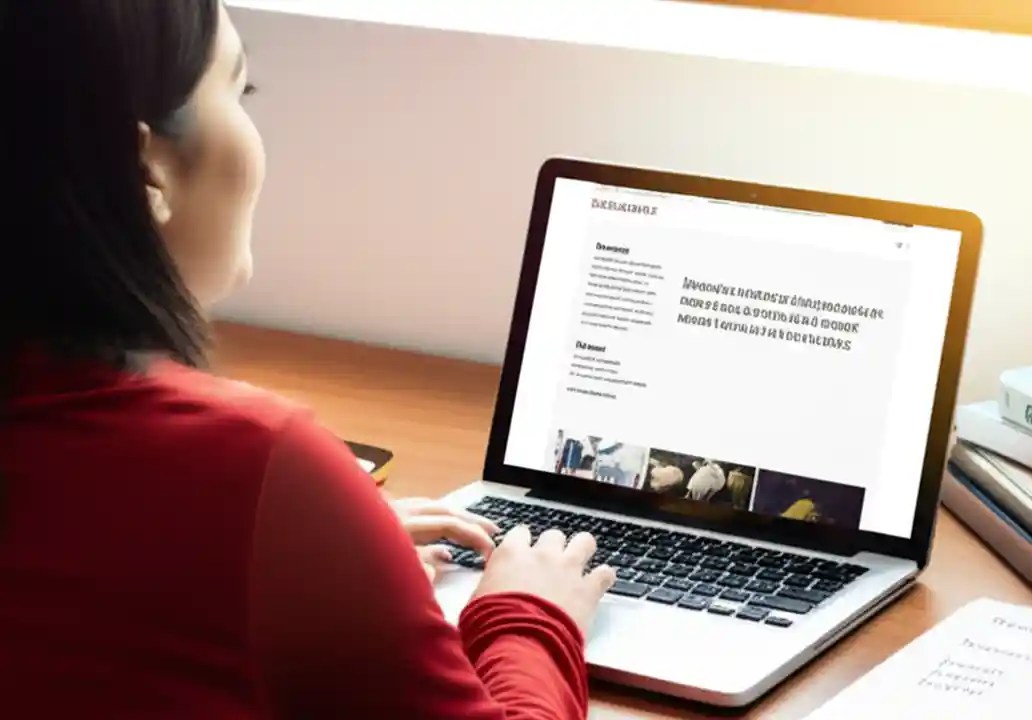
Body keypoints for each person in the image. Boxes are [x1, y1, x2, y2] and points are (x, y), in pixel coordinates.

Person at [0, 2, 614, 717]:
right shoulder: (247, 463)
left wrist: (328, 571)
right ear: (149, 167)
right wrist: (530, 616)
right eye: (238, 89)